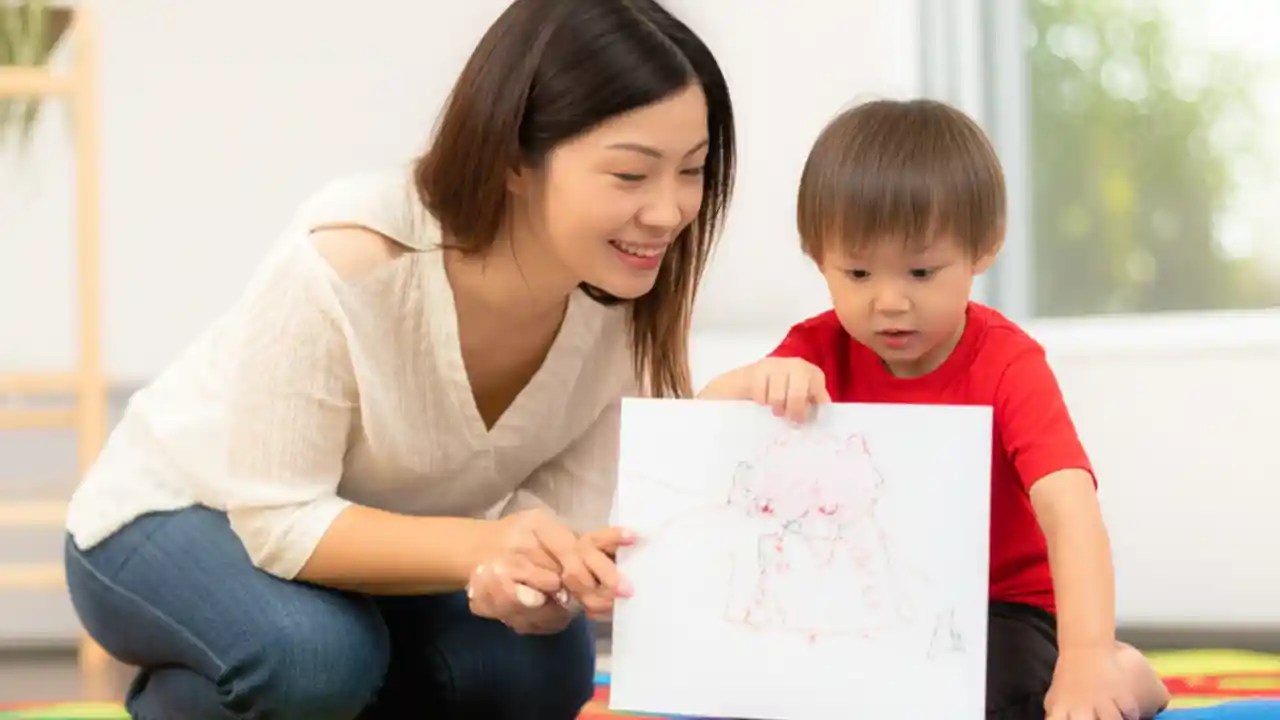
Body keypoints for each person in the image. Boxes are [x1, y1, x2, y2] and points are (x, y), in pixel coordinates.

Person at [61, 1, 734, 718]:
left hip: (366, 562)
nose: (669, 211)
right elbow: (277, 519)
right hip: (174, 517)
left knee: (537, 659)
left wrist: (535, 581)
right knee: (315, 656)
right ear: (513, 160)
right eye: (631, 176)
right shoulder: (354, 259)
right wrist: (482, 546)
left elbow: (548, 528)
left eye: (691, 170)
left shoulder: (628, 304)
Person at [698, 99, 1170, 720]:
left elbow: (1070, 507)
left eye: (921, 271)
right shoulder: (812, 350)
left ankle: (1123, 670)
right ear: (818, 256)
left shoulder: (1007, 363)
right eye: (859, 272)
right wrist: (755, 381)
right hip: (867, 597)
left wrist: (1085, 655)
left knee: (989, 703)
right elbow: (702, 432)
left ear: (984, 248)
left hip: (1001, 603)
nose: (890, 302)